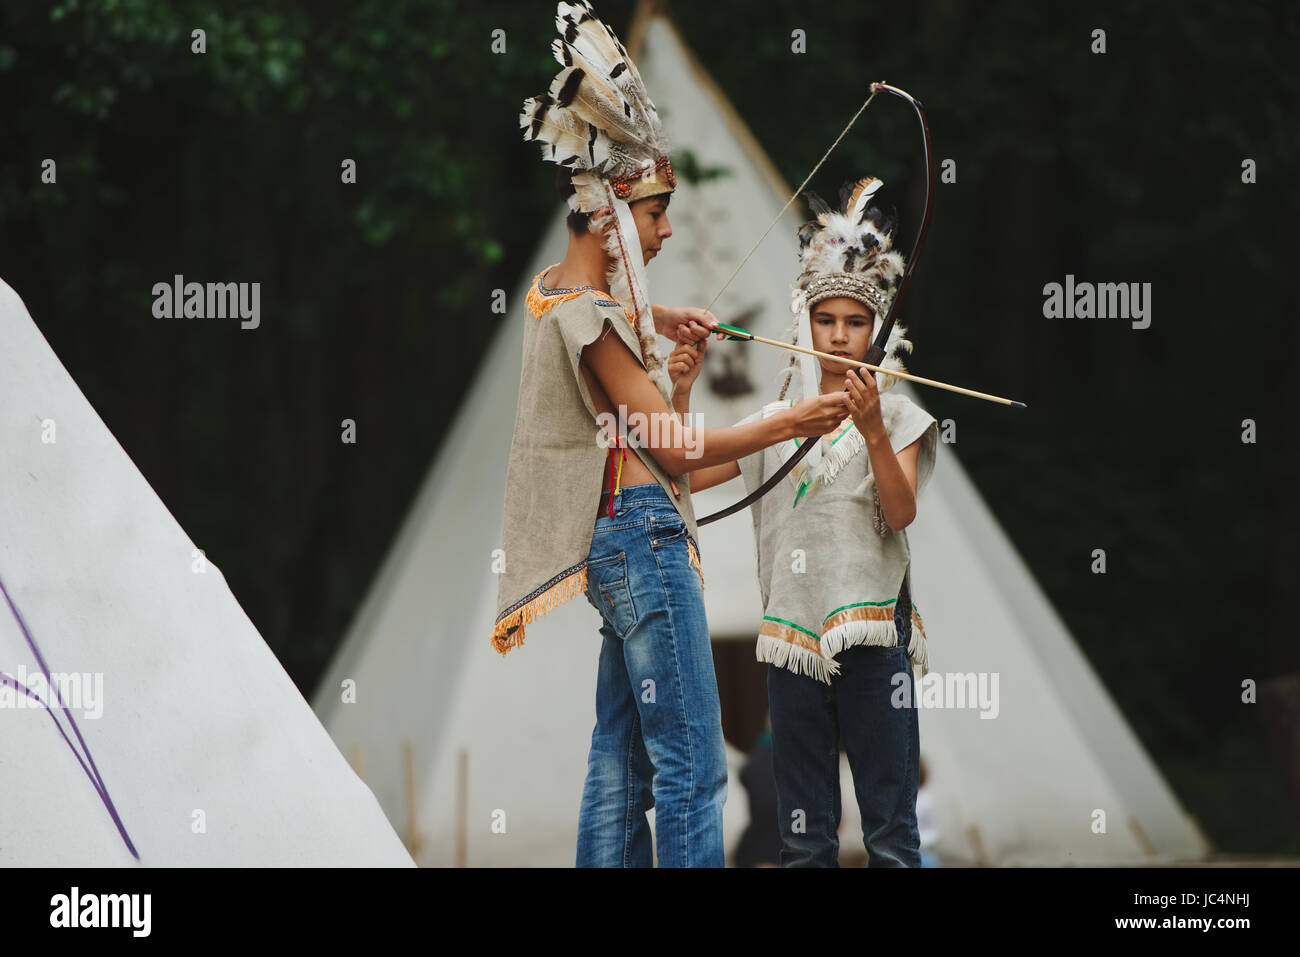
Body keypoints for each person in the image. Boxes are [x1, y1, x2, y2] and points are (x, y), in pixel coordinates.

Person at [493, 0, 849, 868]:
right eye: (654, 215)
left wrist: (679, 383)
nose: (666, 231)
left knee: (619, 767)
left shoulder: (563, 298)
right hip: (645, 549)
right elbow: (681, 456)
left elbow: (651, 451)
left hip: (627, 541)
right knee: (692, 769)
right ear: (613, 206)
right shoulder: (592, 318)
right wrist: (793, 416)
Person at [674, 176, 940, 867]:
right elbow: (686, 473)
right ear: (804, 324)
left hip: (874, 637)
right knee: (803, 835)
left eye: (856, 323)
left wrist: (874, 429)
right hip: (793, 642)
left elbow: (900, 509)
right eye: (827, 321)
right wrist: (678, 388)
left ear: (876, 331)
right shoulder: (774, 423)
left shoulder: (901, 414)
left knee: (889, 829)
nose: (840, 336)